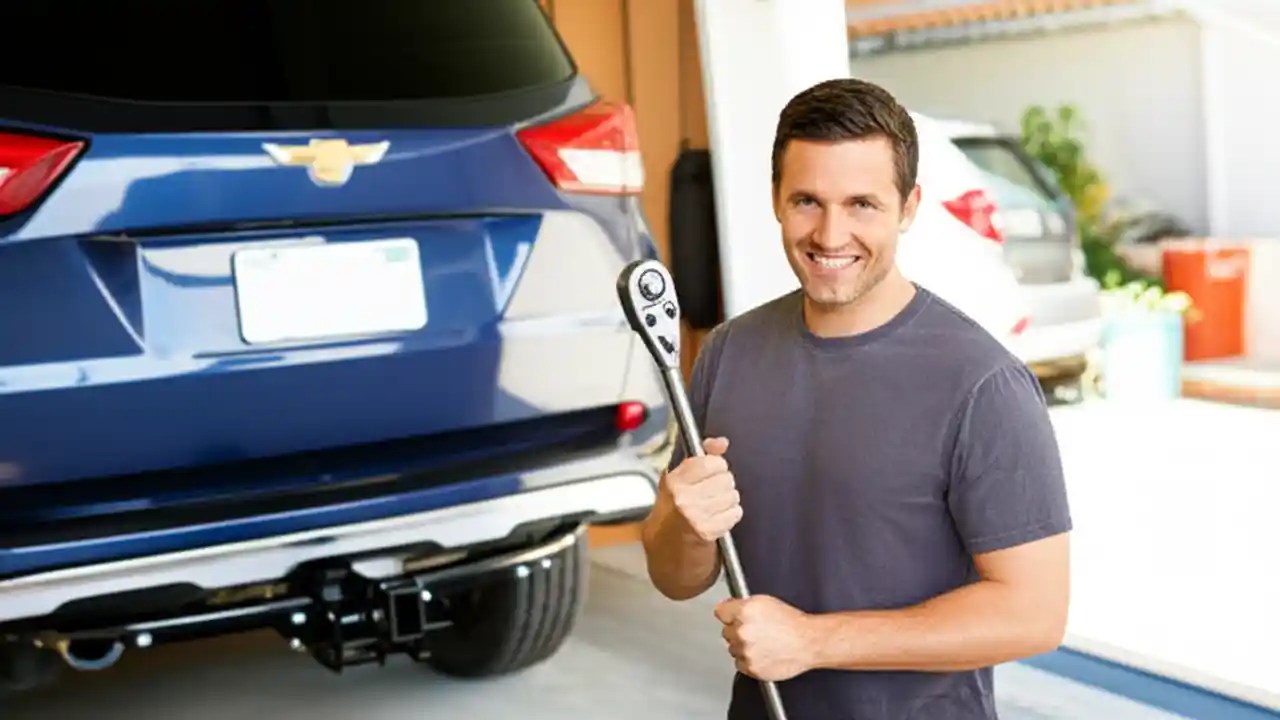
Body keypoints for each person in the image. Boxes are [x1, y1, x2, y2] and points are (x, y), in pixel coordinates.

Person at [639, 78, 1072, 720]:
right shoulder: (730, 353)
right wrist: (683, 522)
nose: (830, 234)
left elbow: (1033, 614)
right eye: (807, 201)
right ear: (776, 202)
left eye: (862, 204)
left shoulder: (981, 382)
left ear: (908, 206)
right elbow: (677, 578)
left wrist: (812, 641)